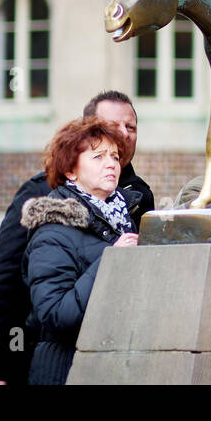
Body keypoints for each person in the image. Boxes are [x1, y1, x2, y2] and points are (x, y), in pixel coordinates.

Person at [0, 91, 154, 384]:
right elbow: (2, 282)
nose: (122, 133)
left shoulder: (137, 197)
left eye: (130, 128)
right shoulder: (42, 194)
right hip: (51, 356)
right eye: (110, 126)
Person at [20, 116, 141, 385]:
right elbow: (54, 314)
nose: (111, 163)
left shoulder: (122, 219)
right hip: (66, 369)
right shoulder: (52, 229)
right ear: (71, 171)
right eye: (98, 156)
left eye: (114, 155)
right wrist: (111, 262)